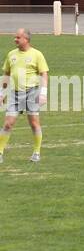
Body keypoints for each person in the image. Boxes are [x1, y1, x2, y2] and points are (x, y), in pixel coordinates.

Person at [0, 28, 48, 163]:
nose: (15, 39)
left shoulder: (37, 55)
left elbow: (44, 73)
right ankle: (0, 152)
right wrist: (1, 93)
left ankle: (37, 153)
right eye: (15, 37)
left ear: (26, 39)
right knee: (8, 124)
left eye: (18, 37)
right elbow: (6, 75)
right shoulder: (11, 55)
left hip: (32, 93)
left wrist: (43, 93)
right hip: (15, 94)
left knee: (34, 123)